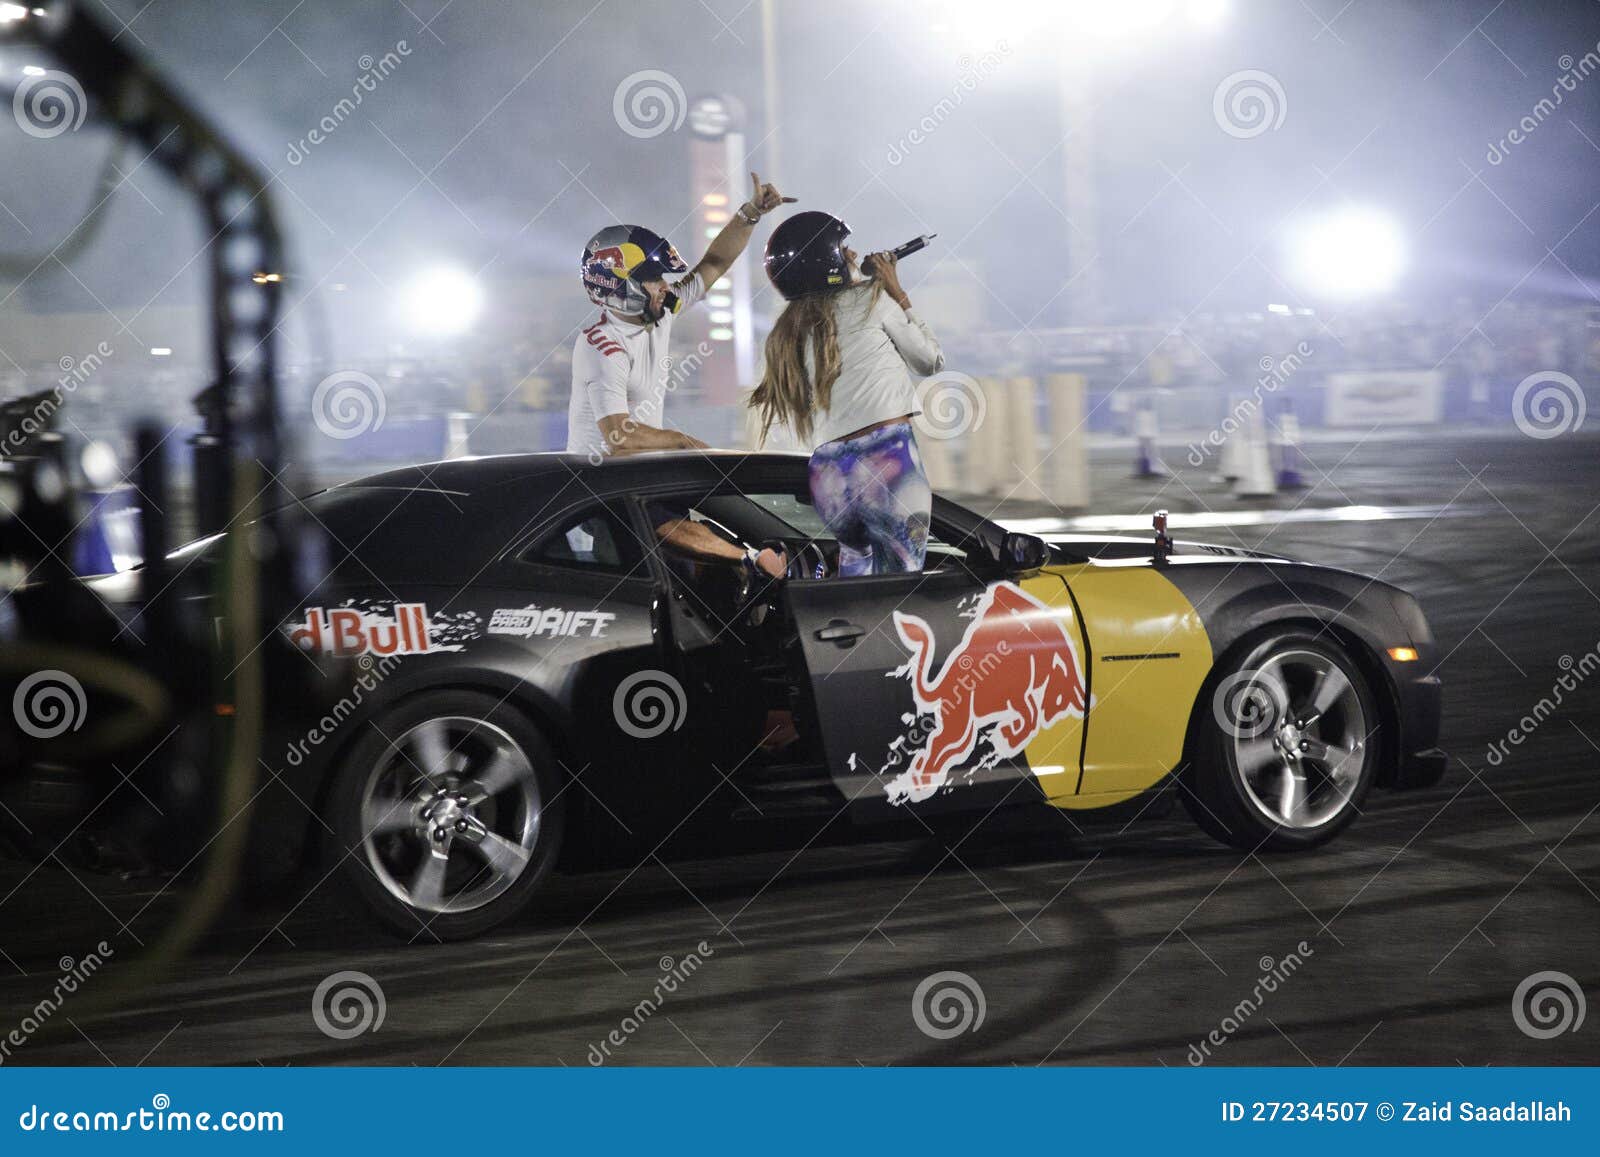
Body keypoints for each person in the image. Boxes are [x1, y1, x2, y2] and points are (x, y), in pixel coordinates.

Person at [569, 172, 794, 579]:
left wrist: (751, 213)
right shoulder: (602, 345)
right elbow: (618, 437)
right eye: (652, 279)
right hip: (605, 500)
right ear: (619, 286)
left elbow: (714, 263)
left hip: (642, 482)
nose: (664, 286)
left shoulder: (659, 313)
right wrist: (682, 442)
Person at [748, 210, 944, 577]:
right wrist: (896, 290)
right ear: (827, 261)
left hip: (828, 472)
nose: (853, 254)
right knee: (899, 586)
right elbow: (930, 361)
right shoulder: (873, 300)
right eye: (843, 249)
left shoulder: (785, 333)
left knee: (853, 579)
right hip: (886, 459)